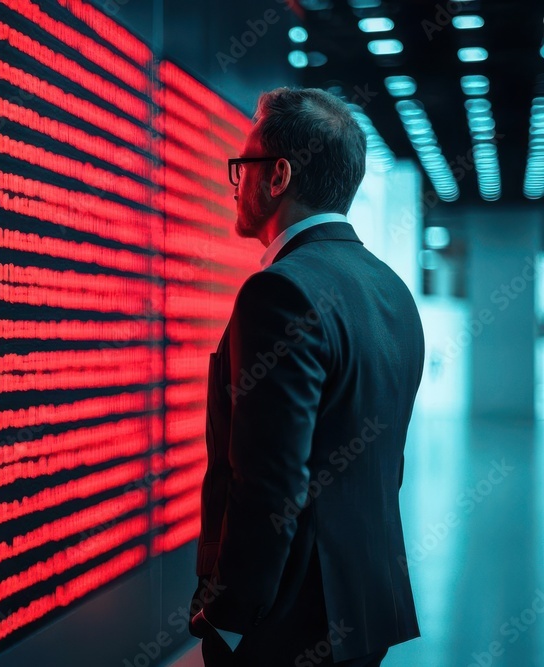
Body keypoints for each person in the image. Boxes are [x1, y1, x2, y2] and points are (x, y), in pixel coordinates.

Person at [188, 87, 425, 666]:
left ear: (278, 176)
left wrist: (232, 617)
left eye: (242, 166)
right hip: (365, 606)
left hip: (289, 623)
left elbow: (270, 484)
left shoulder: (280, 292)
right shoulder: (391, 289)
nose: (234, 183)